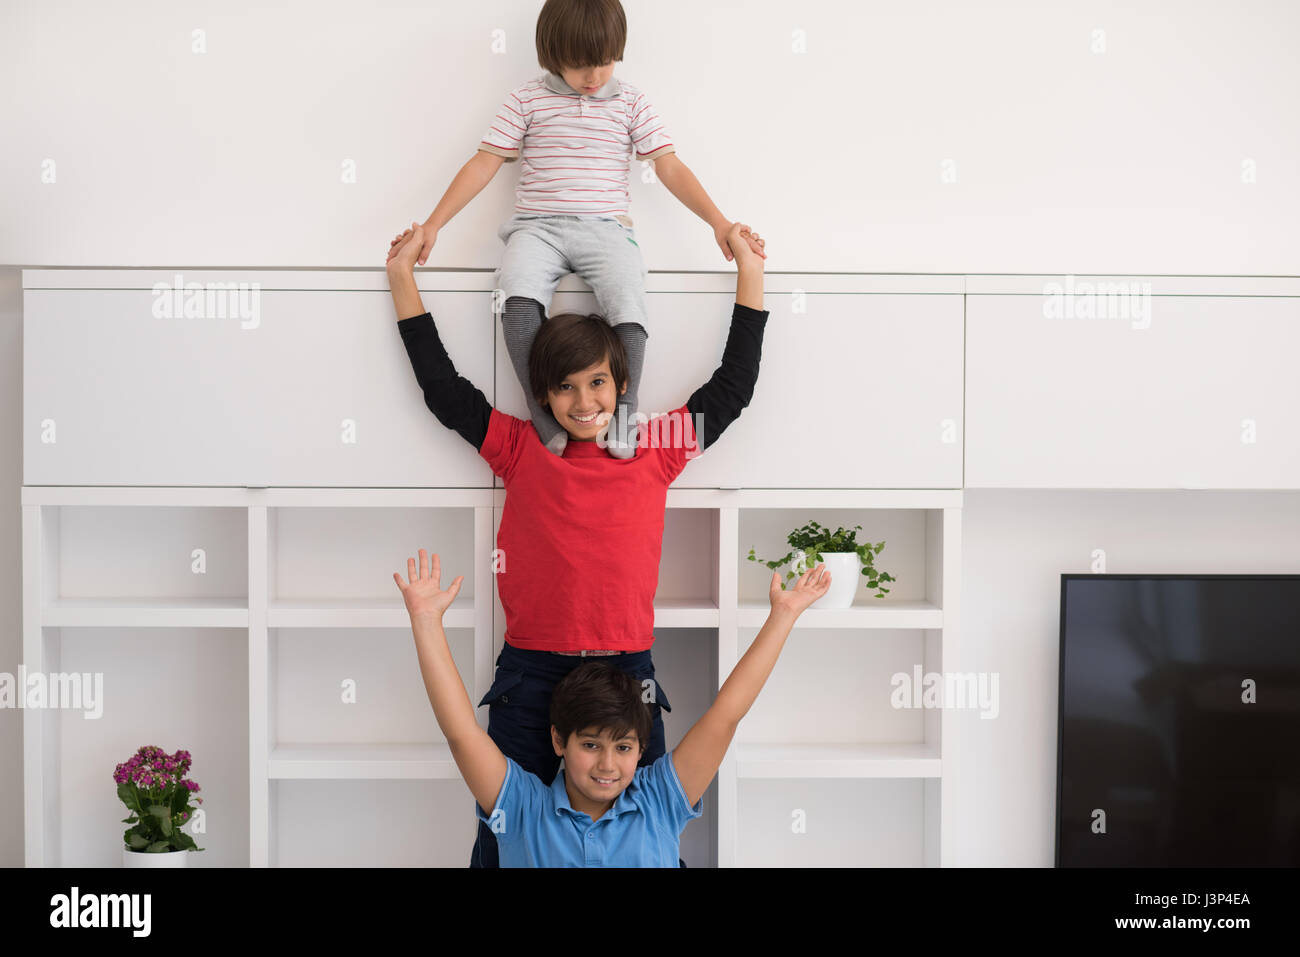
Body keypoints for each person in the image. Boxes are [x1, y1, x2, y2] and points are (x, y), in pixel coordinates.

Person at [387, 217, 768, 866]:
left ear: (622, 384)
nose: (582, 399)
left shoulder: (655, 447)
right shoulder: (519, 446)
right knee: (504, 836)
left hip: (629, 672)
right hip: (533, 674)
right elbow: (444, 392)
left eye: (597, 382)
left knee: (650, 830)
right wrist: (403, 281)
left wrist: (750, 274)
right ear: (543, 394)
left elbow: (731, 391)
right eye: (564, 386)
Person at [386, 0, 766, 458]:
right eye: (579, 66)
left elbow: (669, 167)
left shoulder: (631, 103)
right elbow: (484, 163)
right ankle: (542, 409)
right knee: (517, 297)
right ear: (551, 55)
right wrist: (433, 224)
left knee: (629, 297)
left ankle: (625, 411)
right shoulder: (526, 99)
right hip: (537, 228)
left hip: (606, 228)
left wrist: (719, 222)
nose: (593, 77)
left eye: (604, 63)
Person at [393, 548, 831, 866]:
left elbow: (726, 715)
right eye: (590, 745)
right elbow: (461, 734)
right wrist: (426, 621)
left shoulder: (658, 801)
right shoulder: (523, 810)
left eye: (623, 748)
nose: (607, 765)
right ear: (558, 741)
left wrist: (784, 616)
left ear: (641, 749)